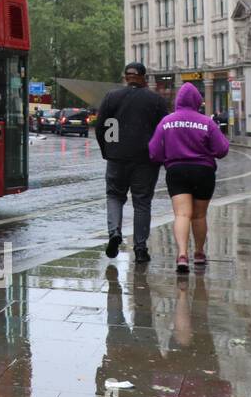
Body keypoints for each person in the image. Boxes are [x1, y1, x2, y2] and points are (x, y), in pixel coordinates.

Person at [149, 82, 230, 274]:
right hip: (203, 172)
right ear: (197, 101)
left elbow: (153, 151)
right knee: (199, 215)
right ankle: (200, 253)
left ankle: (182, 255)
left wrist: (166, 159)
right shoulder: (206, 122)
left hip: (176, 171)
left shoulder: (167, 121)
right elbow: (222, 149)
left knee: (182, 214)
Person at [95, 62, 170, 263]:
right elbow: (165, 131)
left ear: (126, 77)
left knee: (114, 196)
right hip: (146, 160)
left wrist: (107, 151)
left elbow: (100, 126)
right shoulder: (156, 100)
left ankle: (114, 233)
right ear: (144, 77)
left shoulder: (112, 97)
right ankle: (140, 248)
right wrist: (161, 156)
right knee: (142, 202)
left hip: (116, 157)